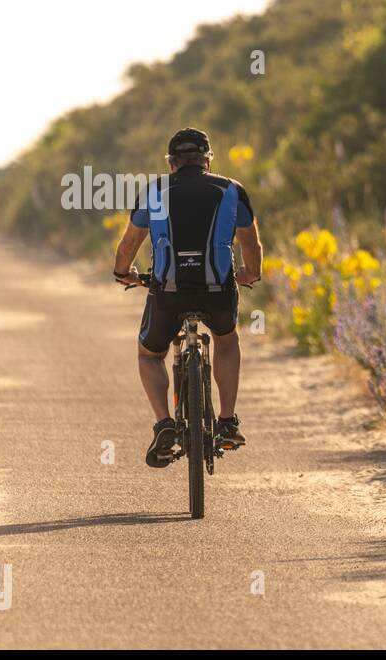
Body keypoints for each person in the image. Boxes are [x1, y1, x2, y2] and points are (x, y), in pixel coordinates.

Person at [111, 128, 262, 467]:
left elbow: (129, 245)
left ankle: (165, 423)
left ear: (171, 162)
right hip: (218, 291)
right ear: (208, 159)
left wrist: (124, 272)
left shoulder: (155, 192)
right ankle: (226, 421)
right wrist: (250, 273)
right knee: (226, 340)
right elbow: (250, 245)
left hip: (168, 292)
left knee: (149, 354)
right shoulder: (231, 190)